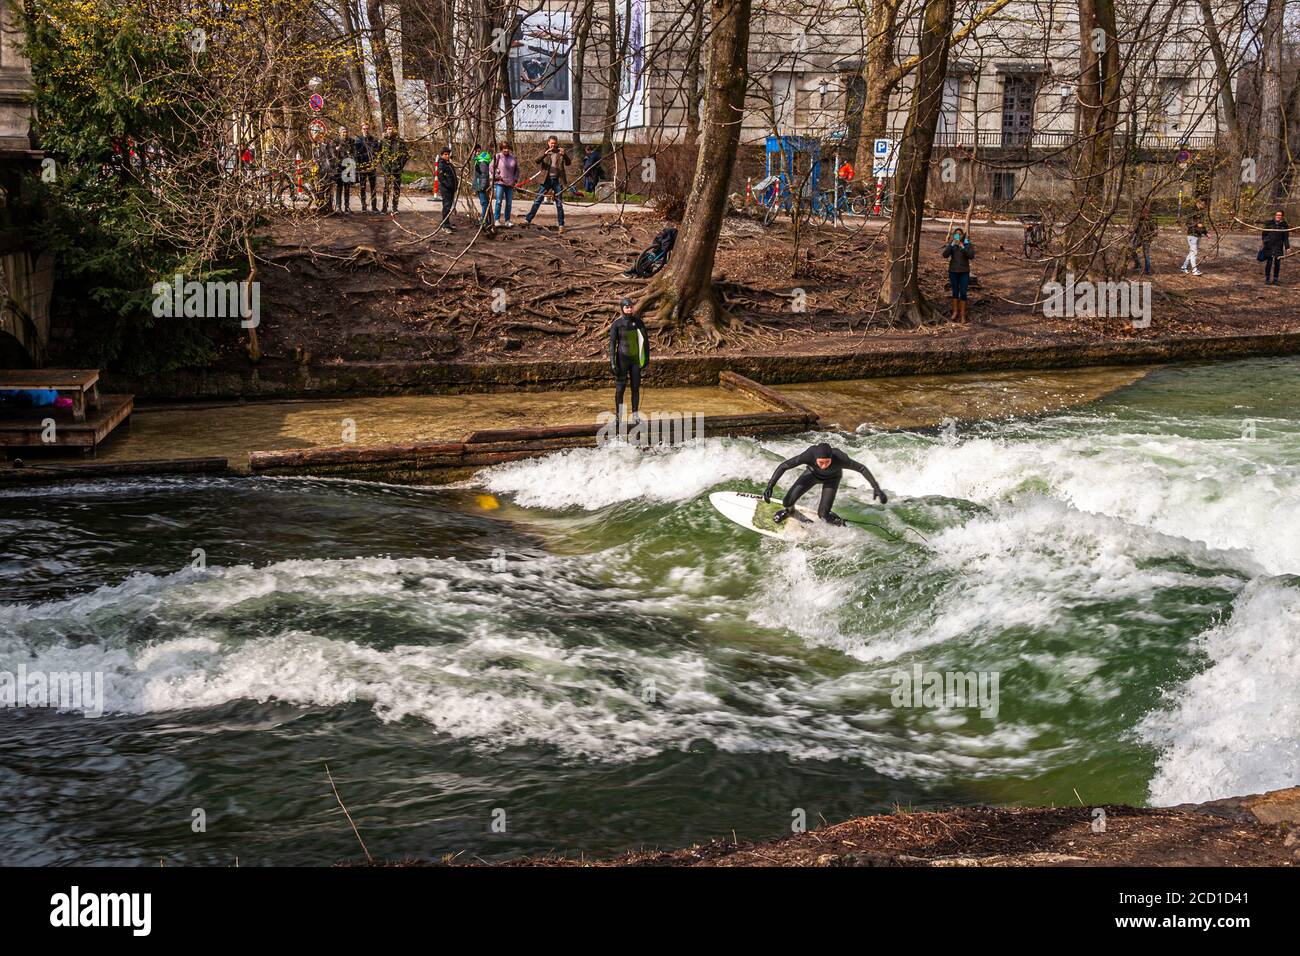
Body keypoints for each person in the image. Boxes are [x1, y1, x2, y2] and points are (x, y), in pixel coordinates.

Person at [763, 442, 887, 527]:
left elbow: (862, 468)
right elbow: (784, 466)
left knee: (824, 516)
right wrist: (770, 486)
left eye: (827, 462)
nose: (823, 466)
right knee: (787, 502)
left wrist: (876, 488)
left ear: (831, 458)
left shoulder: (840, 458)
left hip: (832, 479)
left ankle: (840, 523)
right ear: (815, 459)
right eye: (821, 462)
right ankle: (789, 511)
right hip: (811, 475)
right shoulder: (809, 454)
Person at [608, 297, 649, 423]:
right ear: (622, 309)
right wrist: (613, 363)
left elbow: (645, 343)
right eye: (627, 307)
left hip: (635, 360)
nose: (629, 309)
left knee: (635, 388)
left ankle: (635, 415)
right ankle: (618, 416)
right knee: (620, 389)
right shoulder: (617, 324)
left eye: (631, 306)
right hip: (622, 360)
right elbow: (612, 344)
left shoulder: (638, 323)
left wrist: (646, 360)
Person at [525, 136, 570, 233]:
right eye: (551, 143)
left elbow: (568, 163)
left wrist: (565, 155)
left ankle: (561, 225)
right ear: (548, 143)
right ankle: (528, 220)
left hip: (557, 180)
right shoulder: (545, 151)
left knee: (559, 203)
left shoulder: (560, 152)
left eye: (555, 143)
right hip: (546, 180)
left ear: (557, 143)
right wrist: (544, 155)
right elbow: (537, 161)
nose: (553, 145)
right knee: (538, 200)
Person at [941, 226, 975, 323]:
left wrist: (963, 246)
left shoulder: (967, 244)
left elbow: (971, 256)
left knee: (963, 293)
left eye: (960, 234)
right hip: (953, 271)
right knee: (955, 292)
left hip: (964, 272)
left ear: (963, 235)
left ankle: (963, 315)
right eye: (956, 234)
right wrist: (951, 245)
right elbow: (945, 255)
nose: (958, 236)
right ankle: (955, 312)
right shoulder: (952, 245)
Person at [378, 123, 409, 214]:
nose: (390, 131)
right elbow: (379, 155)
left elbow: (406, 155)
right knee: (386, 189)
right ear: (386, 130)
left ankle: (395, 208)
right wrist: (383, 166)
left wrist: (400, 165)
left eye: (391, 129)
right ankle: (384, 208)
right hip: (387, 170)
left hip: (397, 170)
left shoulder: (399, 141)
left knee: (396, 189)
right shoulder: (383, 141)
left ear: (394, 130)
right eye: (388, 129)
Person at [354, 122, 381, 212]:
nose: (366, 130)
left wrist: (375, 161)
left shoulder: (373, 139)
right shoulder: (358, 140)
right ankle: (363, 206)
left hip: (371, 166)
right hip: (362, 166)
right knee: (362, 186)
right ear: (361, 130)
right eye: (364, 129)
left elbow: (377, 151)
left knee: (373, 186)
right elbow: (356, 153)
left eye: (367, 129)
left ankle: (374, 206)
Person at [491, 143, 520, 226]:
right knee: (499, 201)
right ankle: (497, 220)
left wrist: (515, 179)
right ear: (501, 149)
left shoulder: (513, 158)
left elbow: (517, 171)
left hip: (510, 184)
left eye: (507, 148)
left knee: (509, 203)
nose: (506, 150)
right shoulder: (498, 156)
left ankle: (507, 221)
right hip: (500, 183)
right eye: (504, 148)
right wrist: (497, 176)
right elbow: (491, 167)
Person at [1261, 210, 1290, 285]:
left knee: (1277, 263)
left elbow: (1286, 238)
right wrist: (1265, 241)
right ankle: (1267, 279)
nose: (1278, 216)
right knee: (1269, 263)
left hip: (1278, 247)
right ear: (1275, 215)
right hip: (1269, 246)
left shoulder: (1284, 225)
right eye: (1277, 215)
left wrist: (1287, 247)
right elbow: (1264, 234)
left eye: (1280, 215)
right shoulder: (1269, 223)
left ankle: (1275, 279)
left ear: (1282, 216)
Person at [311, 129, 336, 214]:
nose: (320, 138)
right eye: (318, 136)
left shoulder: (328, 145)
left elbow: (332, 157)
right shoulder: (314, 146)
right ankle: (320, 207)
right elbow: (314, 158)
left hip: (328, 169)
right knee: (320, 189)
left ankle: (329, 207)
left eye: (321, 136)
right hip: (319, 171)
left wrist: (332, 168)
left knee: (329, 188)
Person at [436, 145, 458, 232]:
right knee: (446, 206)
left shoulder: (448, 163)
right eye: (445, 154)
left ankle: (447, 223)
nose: (447, 156)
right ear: (442, 155)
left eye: (448, 154)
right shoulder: (441, 164)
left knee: (448, 207)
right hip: (446, 189)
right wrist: (448, 185)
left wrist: (455, 185)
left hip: (451, 189)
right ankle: (444, 226)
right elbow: (441, 178)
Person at [333, 125, 354, 212]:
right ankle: (338, 206)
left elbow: (354, 153)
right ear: (340, 133)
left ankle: (347, 206)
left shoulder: (351, 141)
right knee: (339, 187)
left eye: (346, 132)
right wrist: (337, 148)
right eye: (343, 132)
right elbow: (332, 152)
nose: (345, 134)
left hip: (348, 166)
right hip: (339, 166)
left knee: (347, 187)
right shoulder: (336, 140)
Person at [471, 144, 493, 226]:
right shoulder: (479, 160)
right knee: (484, 203)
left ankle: (483, 220)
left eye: (478, 151)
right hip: (480, 184)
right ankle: (485, 220)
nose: (477, 153)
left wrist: (481, 187)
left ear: (481, 150)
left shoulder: (482, 161)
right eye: (475, 151)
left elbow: (484, 175)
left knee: (484, 203)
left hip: (482, 186)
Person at [1131, 206, 1156, 275]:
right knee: (1132, 250)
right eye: (1143, 211)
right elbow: (1135, 229)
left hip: (1146, 239)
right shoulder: (1138, 218)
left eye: (1146, 211)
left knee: (1146, 255)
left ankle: (1147, 271)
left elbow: (1154, 231)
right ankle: (1138, 264)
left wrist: (1150, 238)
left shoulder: (1150, 219)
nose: (1144, 213)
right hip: (1139, 238)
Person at [1181, 211, 1207, 276]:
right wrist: (1196, 224)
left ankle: (1184, 267)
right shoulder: (1191, 216)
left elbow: (1202, 226)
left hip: (1198, 236)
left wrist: (1206, 233)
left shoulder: (1201, 216)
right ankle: (1194, 270)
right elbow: (1188, 224)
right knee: (1194, 253)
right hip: (1192, 236)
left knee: (1192, 252)